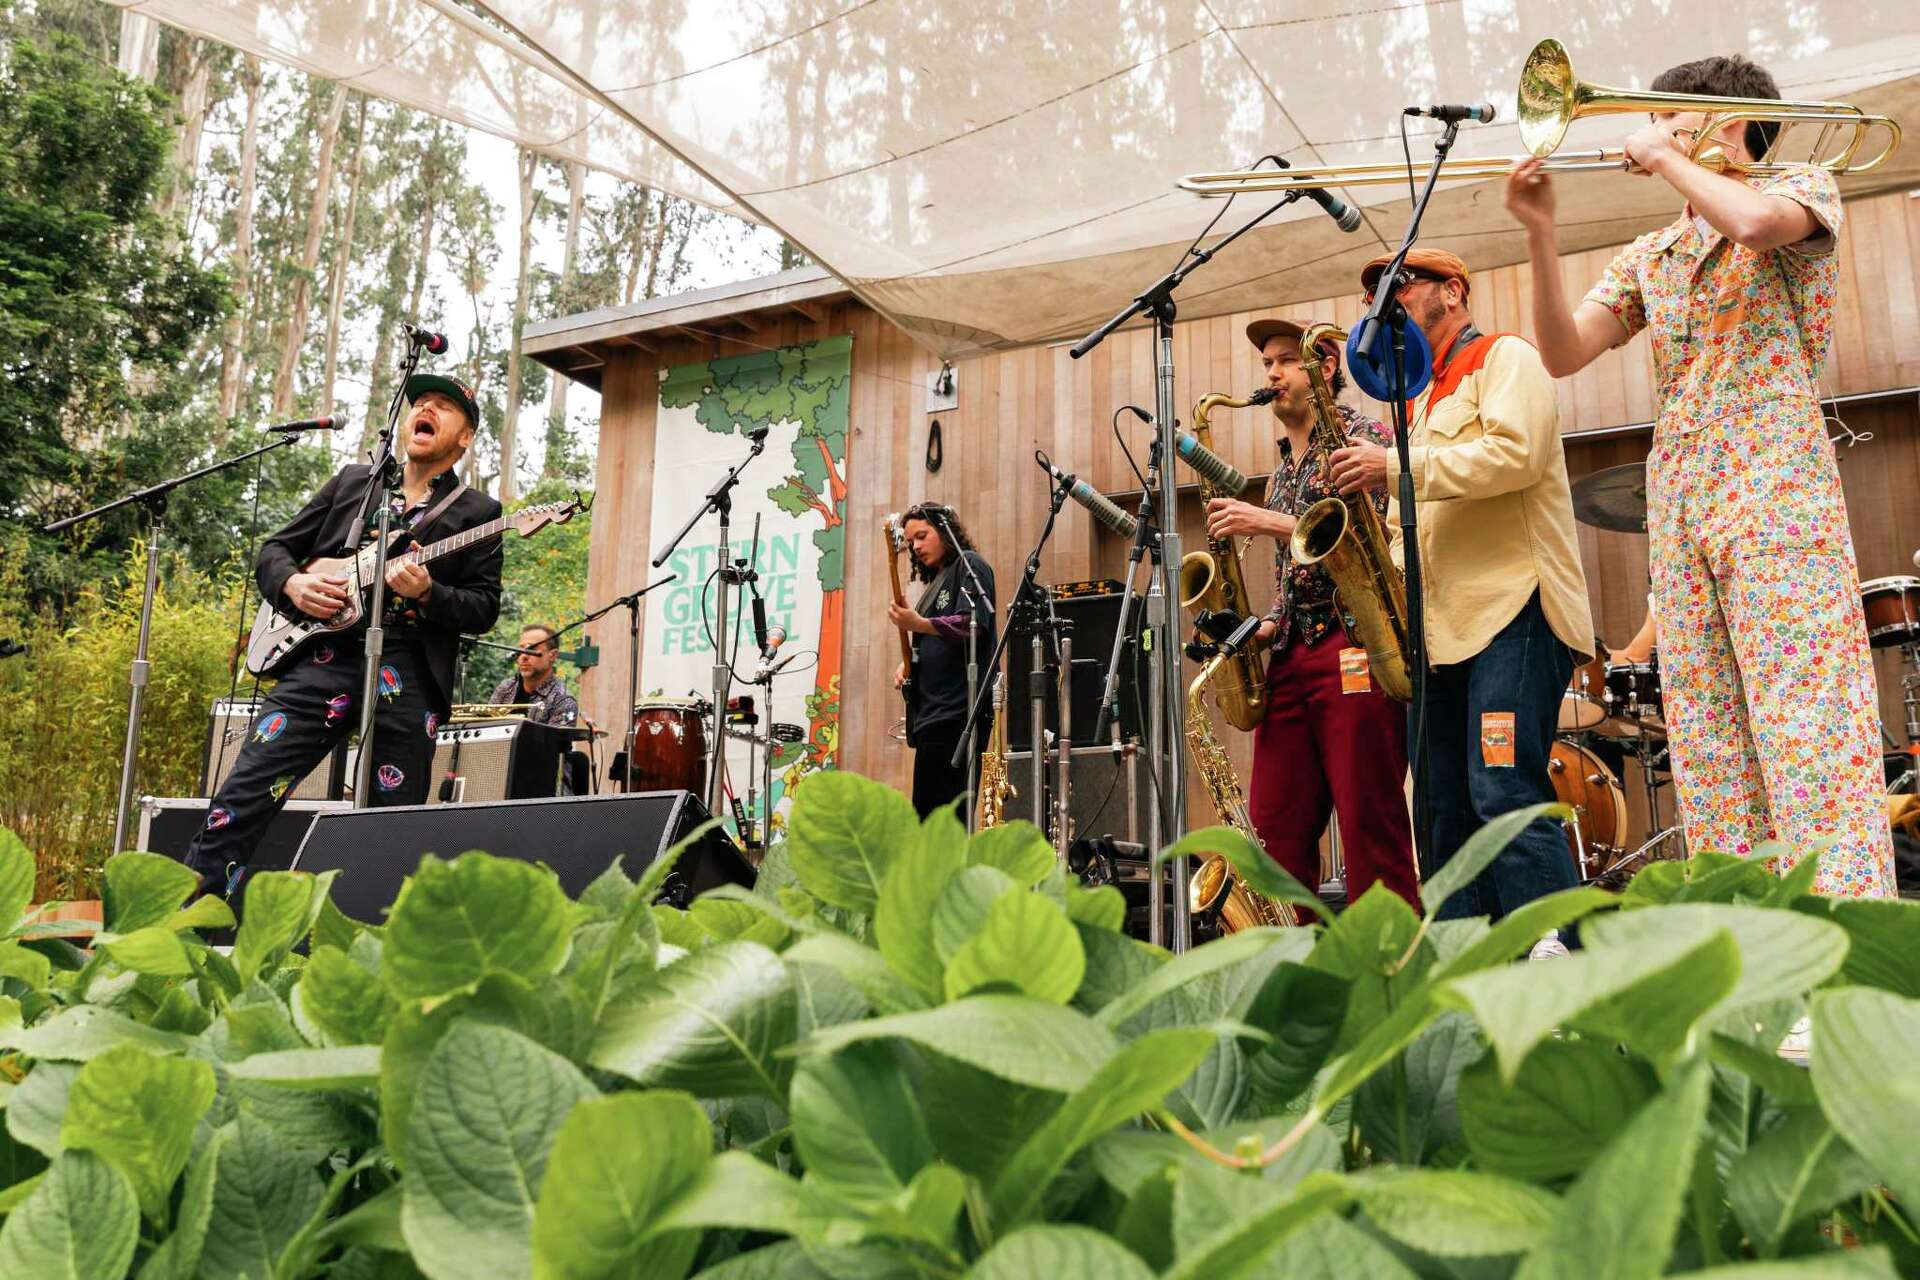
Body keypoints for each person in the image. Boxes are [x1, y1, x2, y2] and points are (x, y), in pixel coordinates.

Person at [1506, 52, 1893, 899]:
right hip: (1682, 494)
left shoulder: (1802, 183)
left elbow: (1754, 226)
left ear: (1725, 124)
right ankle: (1750, 961)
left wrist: (1667, 156)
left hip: (1775, 483)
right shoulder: (1655, 252)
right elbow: (1563, 353)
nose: (1658, 134)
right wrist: (1539, 232)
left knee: (1808, 725)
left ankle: (1846, 949)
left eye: (1674, 118)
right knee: (1709, 737)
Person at [1328, 248, 1596, 925]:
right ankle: (1460, 970)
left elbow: (1516, 455)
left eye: (1399, 287)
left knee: (1502, 788)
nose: (1382, 306)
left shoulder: (1506, 357)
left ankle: (1555, 954)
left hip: (1515, 612)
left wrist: (1392, 466)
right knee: (1439, 808)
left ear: (1452, 292)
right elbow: (1404, 526)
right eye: (1373, 298)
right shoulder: (1414, 402)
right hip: (1436, 633)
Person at [184, 373, 504, 894]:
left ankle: (371, 952)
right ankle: (187, 922)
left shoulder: (479, 514)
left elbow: (483, 607)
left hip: (408, 668)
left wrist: (428, 592)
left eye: (444, 407)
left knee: (392, 823)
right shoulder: (355, 482)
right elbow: (275, 549)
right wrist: (295, 584)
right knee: (244, 793)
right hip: (321, 658)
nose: (427, 408)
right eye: (420, 402)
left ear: (465, 437)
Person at [1202, 318, 1419, 908]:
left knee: (1370, 826)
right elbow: (1291, 577)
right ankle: (1288, 969)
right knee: (1273, 833)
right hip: (1293, 656)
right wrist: (1262, 625)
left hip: (1355, 647)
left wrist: (1264, 521)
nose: (1270, 374)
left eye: (1283, 361)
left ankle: (1396, 970)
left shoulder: (1360, 439)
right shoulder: (1280, 470)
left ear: (1324, 367)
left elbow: (1366, 542)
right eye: (1266, 364)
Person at [887, 503, 997, 817]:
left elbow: (971, 623)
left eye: (922, 536)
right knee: (927, 816)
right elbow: (933, 638)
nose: (916, 547)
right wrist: (909, 663)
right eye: (910, 543)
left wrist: (918, 624)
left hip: (959, 711)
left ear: (945, 530)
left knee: (947, 817)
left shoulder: (969, 565)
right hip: (932, 716)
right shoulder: (934, 586)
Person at [489, 624, 579, 725]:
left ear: (553, 656)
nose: (524, 656)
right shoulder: (506, 688)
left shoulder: (564, 700)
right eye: (521, 649)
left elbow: (556, 740)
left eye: (532, 649)